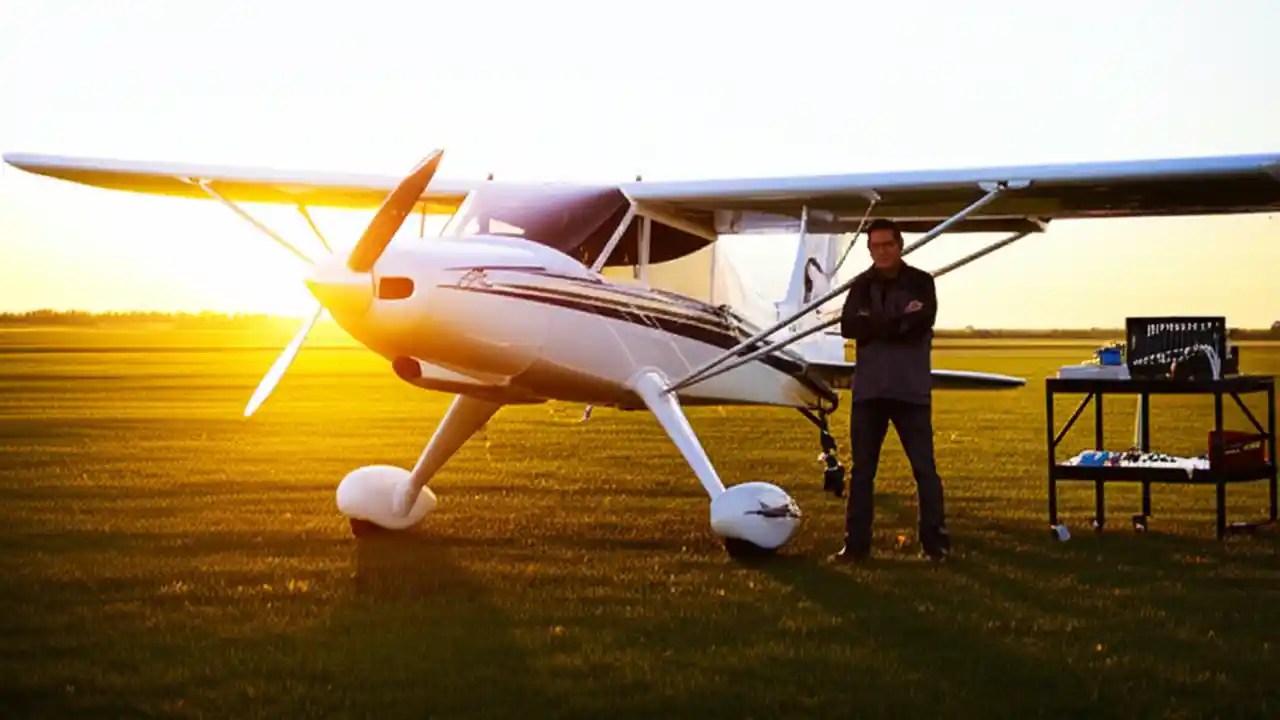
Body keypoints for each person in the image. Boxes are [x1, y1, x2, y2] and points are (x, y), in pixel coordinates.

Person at [833, 218, 950, 562]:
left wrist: (875, 323)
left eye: (888, 245)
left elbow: (919, 323)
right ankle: (855, 547)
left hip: (910, 391)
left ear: (900, 245)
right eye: (875, 246)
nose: (881, 252)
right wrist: (897, 319)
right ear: (869, 249)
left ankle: (935, 544)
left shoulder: (921, 282)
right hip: (869, 392)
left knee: (924, 469)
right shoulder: (861, 285)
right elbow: (849, 326)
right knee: (862, 472)